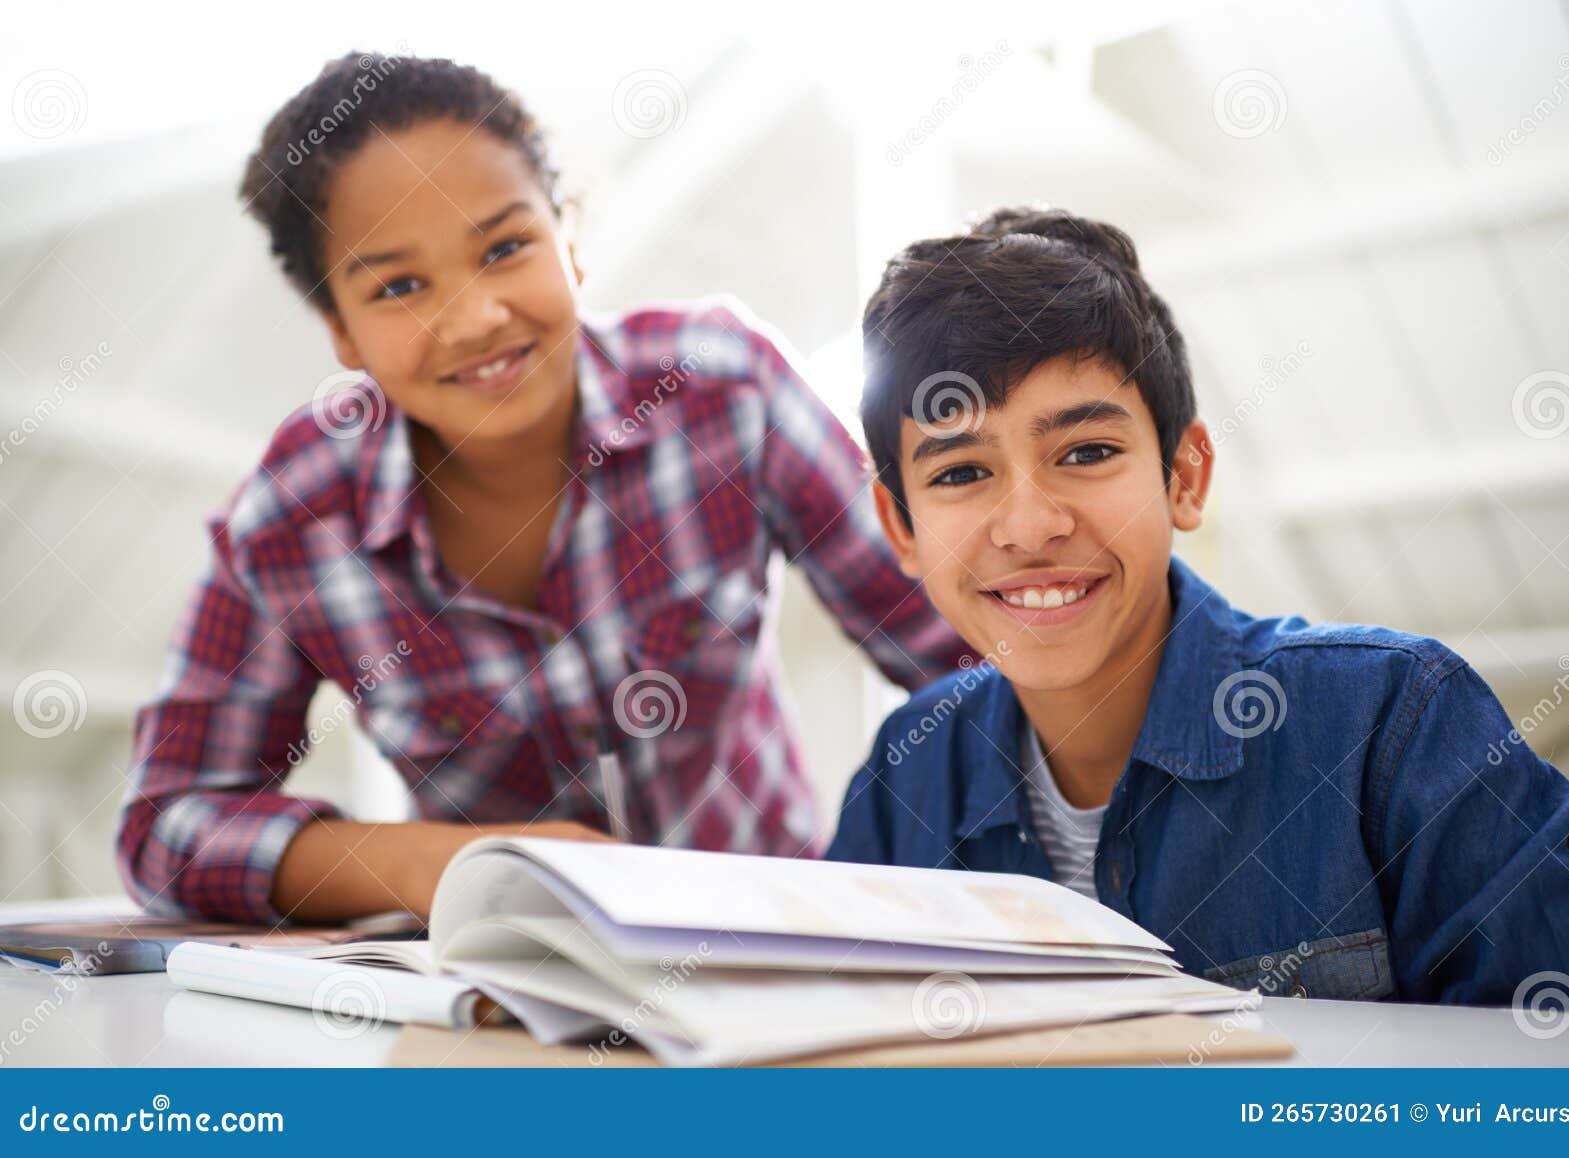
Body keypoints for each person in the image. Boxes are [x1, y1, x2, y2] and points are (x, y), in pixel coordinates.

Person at [115, 53, 969, 925]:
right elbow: (164, 827)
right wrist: (441, 864)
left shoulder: (722, 388)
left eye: (505, 247)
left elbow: (970, 654)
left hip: (773, 949)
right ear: (340, 328)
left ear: (570, 238)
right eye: (401, 286)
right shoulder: (295, 517)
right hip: (502, 999)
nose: (476, 316)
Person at [827, 206, 1569, 1004]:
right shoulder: (901, 783)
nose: (1029, 527)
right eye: (959, 473)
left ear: (1185, 477)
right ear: (901, 525)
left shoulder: (1391, 726)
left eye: (1087, 452)